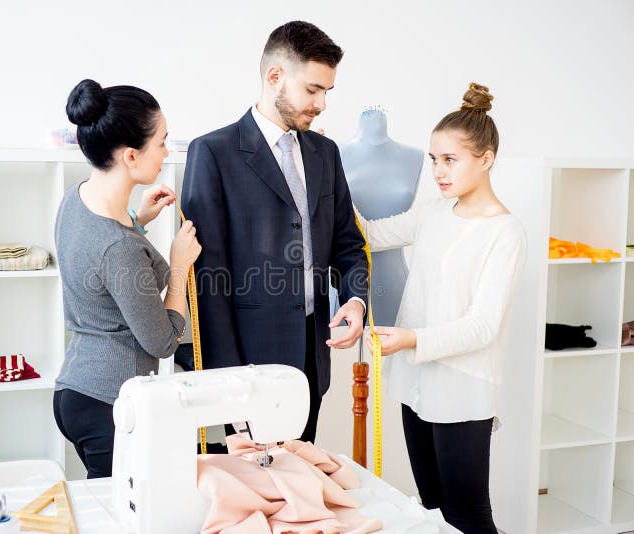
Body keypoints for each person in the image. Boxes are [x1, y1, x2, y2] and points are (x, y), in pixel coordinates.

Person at [181, 21, 368, 444]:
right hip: (247, 365)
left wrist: (356, 300)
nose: (321, 104)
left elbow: (348, 243)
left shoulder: (326, 153)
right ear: (275, 77)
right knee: (254, 496)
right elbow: (208, 278)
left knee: (299, 490)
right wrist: (228, 382)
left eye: (327, 93)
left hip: (311, 358)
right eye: (313, 90)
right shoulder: (212, 153)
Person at [360, 83, 526, 532]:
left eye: (450, 160)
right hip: (416, 379)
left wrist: (412, 338)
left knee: (468, 516)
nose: (438, 171)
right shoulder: (435, 210)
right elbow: (372, 236)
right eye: (434, 160)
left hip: (462, 389)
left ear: (486, 159)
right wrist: (326, 195)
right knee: (430, 510)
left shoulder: (505, 232)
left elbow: (483, 326)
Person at [53, 79, 201, 478]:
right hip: (108, 405)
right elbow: (164, 341)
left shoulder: (76, 196)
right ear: (132, 156)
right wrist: (179, 268)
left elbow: (100, 261)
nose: (167, 151)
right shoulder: (120, 248)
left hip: (76, 389)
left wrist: (139, 219)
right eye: (162, 142)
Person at [330, 108, 423, 326]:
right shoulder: (332, 155)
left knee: (396, 357)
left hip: (395, 282)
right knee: (347, 357)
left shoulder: (414, 156)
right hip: (345, 282)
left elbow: (370, 232)